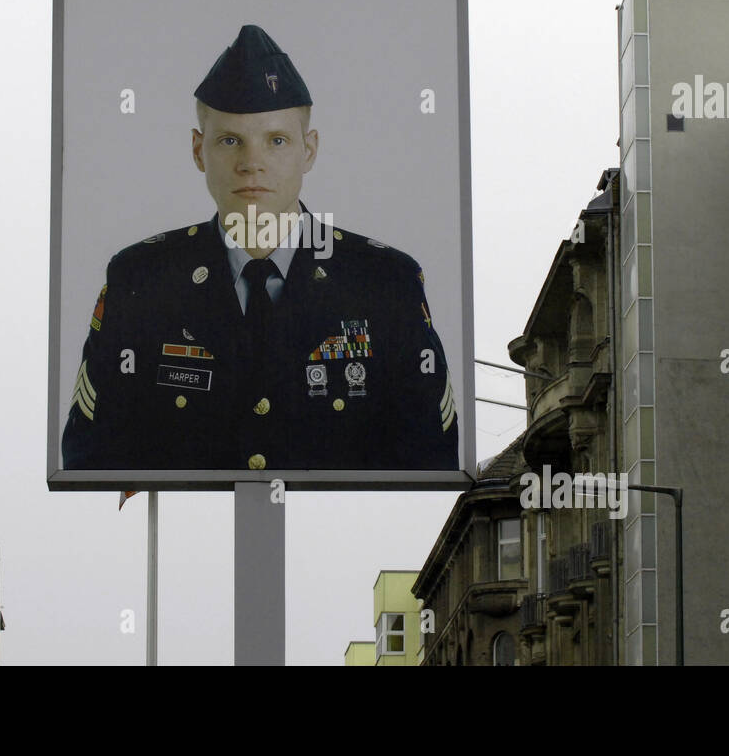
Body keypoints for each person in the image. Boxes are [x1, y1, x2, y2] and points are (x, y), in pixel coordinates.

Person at [61, 24, 457, 471]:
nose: (251, 163)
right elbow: (90, 460)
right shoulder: (142, 280)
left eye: (276, 141)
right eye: (230, 140)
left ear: (309, 150)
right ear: (198, 150)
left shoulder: (385, 283)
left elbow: (430, 465)